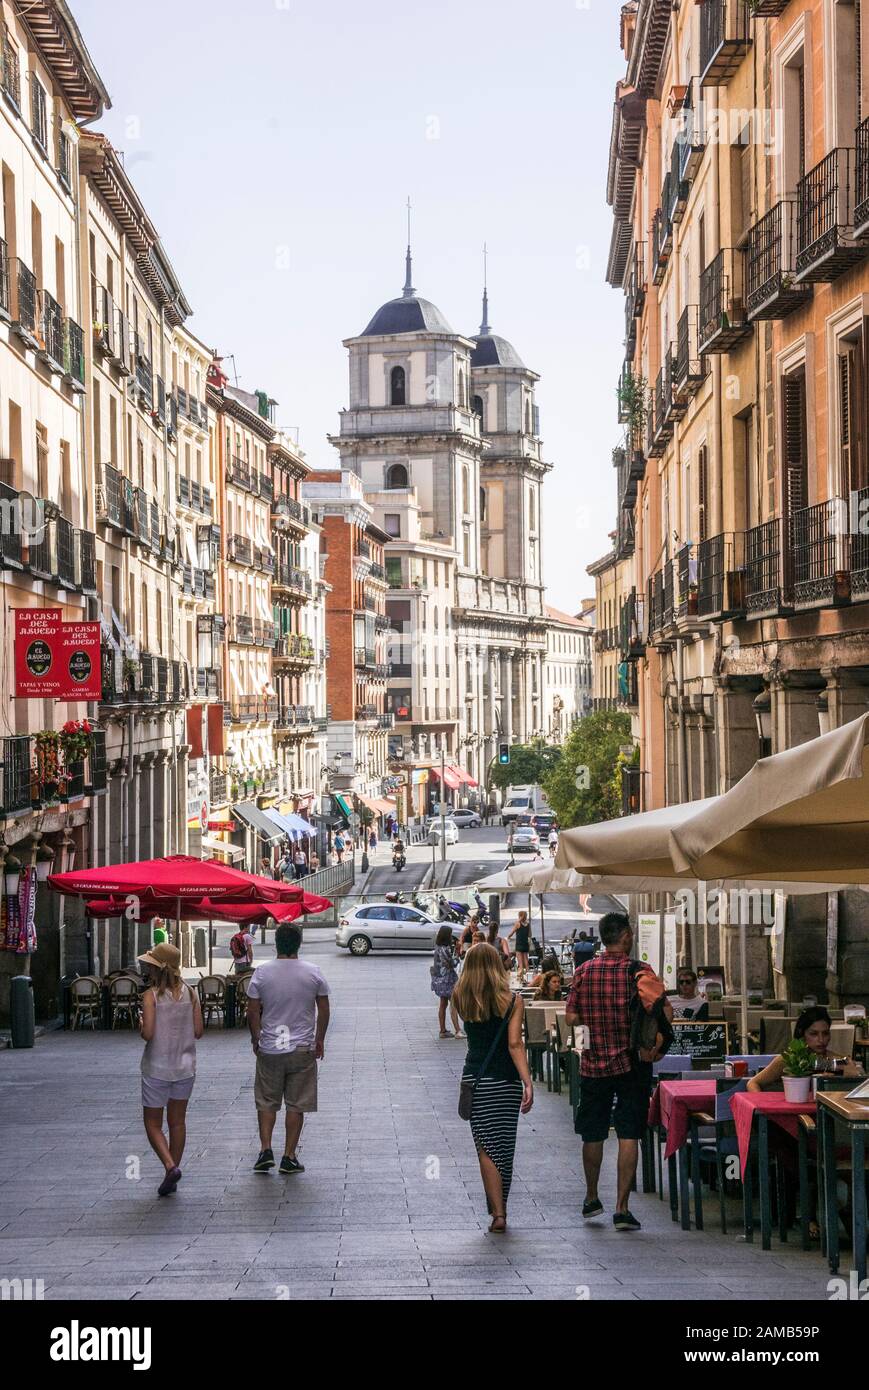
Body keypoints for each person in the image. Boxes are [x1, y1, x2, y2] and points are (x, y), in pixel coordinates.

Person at [565, 911, 670, 1232]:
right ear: (625, 936)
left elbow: (571, 1017)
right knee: (628, 1133)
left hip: (594, 1064)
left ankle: (591, 1197)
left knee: (593, 1132)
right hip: (631, 1064)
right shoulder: (640, 972)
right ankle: (622, 1208)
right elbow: (664, 1009)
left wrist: (588, 1033)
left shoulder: (583, 972)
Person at [453, 943, 533, 1233]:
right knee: (505, 1146)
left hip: (477, 1079)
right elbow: (514, 1044)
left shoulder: (460, 996)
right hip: (507, 1082)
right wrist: (527, 1080)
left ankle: (498, 1213)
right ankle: (502, 1207)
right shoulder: (513, 1000)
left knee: (485, 1147)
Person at [246, 922, 331, 1175]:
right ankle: (289, 1156)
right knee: (296, 1103)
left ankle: (265, 1150)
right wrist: (320, 1038)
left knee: (266, 1101)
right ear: (298, 944)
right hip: (302, 1048)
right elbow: (324, 1009)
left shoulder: (261, 973)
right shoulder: (313, 972)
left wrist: (256, 1037)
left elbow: (252, 1010)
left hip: (270, 1047)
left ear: (276, 943)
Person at [137, 942, 203, 1197]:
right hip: (185, 1067)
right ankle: (172, 1175)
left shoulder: (151, 996)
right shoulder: (191, 993)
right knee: (177, 1122)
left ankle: (169, 1165)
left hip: (156, 1066)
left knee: (152, 1123)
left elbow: (148, 1034)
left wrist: (142, 1023)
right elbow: (198, 1032)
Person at [748, 1007, 863, 1092]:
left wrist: (849, 1076)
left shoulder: (839, 1061)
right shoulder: (788, 1060)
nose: (821, 1040)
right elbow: (753, 1083)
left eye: (825, 1033)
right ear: (802, 1034)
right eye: (813, 1034)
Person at [431, 926, 463, 1039]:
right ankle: (458, 1030)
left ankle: (443, 1030)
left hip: (438, 980)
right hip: (446, 980)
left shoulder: (438, 947)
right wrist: (458, 955)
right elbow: (451, 964)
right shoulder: (444, 949)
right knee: (454, 1004)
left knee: (443, 1004)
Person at [508, 911, 531, 975]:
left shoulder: (517, 923)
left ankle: (521, 977)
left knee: (520, 964)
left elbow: (512, 933)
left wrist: (508, 937)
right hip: (525, 944)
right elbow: (530, 934)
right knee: (526, 960)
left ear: (519, 915)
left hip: (519, 944)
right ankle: (528, 974)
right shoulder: (528, 924)